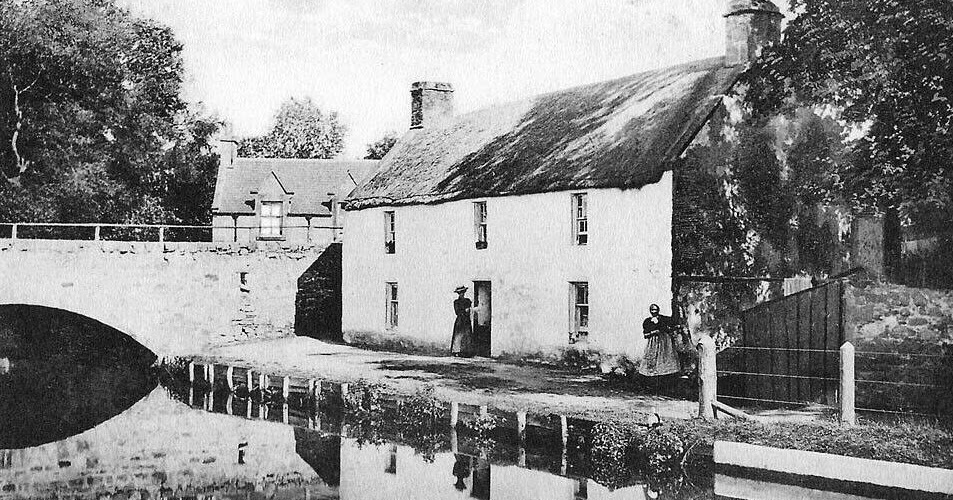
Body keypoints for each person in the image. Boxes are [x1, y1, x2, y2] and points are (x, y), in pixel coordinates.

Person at [637, 304, 681, 380]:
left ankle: (665, 376)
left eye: (655, 310)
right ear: (650, 311)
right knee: (652, 359)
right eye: (652, 310)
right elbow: (645, 335)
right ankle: (652, 377)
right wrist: (653, 332)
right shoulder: (647, 321)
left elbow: (672, 324)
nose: (654, 312)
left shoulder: (663, 319)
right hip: (653, 343)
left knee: (665, 359)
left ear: (658, 310)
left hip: (665, 343)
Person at [450, 286, 473, 357]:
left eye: (462, 292)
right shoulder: (456, 302)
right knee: (458, 335)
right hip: (460, 320)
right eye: (460, 293)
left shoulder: (467, 301)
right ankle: (456, 351)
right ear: (458, 294)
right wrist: (464, 311)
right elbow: (457, 312)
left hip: (466, 320)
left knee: (467, 335)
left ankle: (467, 351)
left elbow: (470, 310)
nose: (461, 294)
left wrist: (468, 311)